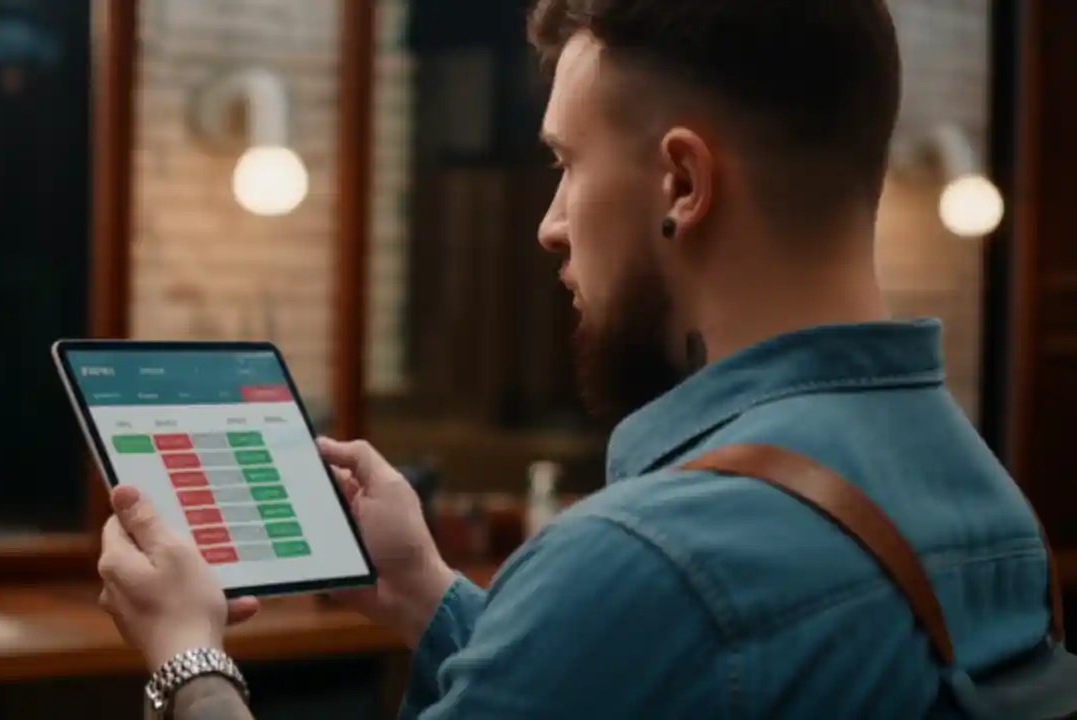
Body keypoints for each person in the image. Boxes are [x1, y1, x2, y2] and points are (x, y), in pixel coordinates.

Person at [95, 1, 1063, 717]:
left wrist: (187, 657)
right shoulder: (990, 508)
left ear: (679, 181)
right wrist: (425, 592)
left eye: (565, 162)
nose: (548, 225)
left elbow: (655, 618)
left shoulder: (647, 563)